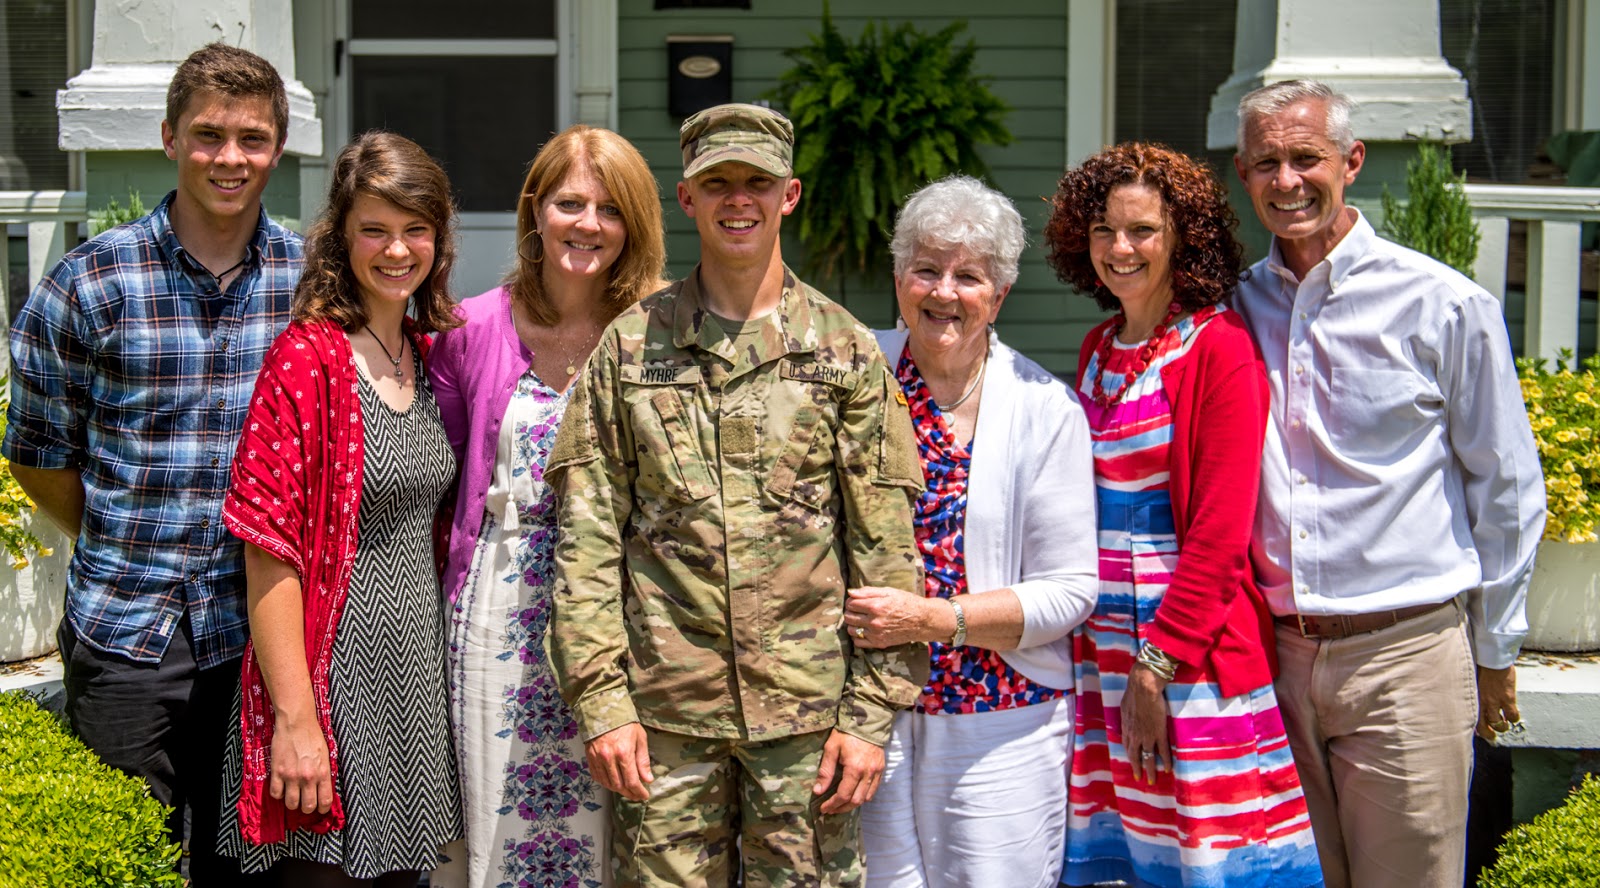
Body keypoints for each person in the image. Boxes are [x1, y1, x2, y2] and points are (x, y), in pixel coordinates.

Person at [546, 103, 926, 886]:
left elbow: (884, 553)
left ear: (791, 195)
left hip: (807, 726)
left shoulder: (846, 351)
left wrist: (869, 718)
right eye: (717, 182)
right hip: (664, 725)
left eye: (758, 181)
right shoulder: (631, 346)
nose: (738, 199)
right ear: (687, 198)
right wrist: (603, 704)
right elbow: (586, 545)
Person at [1229, 80, 1546, 888]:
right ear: (1243, 173)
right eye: (1268, 162)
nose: (1288, 180)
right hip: (1272, 663)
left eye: (1307, 158)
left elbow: (1505, 485)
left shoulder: (1444, 305)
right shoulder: (1231, 310)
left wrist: (1497, 647)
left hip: (1404, 656)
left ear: (1353, 162)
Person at [3, 42, 297, 884]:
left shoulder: (310, 280)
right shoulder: (90, 282)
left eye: (252, 138)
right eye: (208, 135)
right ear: (169, 137)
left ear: (278, 148)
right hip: (128, 627)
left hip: (259, 633)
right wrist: (116, 536)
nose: (229, 158)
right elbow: (37, 453)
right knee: (134, 857)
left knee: (251, 860)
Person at [1045, 142, 1323, 888]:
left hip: (1186, 658)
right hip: (1103, 653)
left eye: (1142, 230)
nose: (1120, 248)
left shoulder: (1218, 347)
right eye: (1103, 230)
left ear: (1182, 238)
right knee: (1135, 860)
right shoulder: (1100, 348)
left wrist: (1155, 669)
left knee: (1211, 862)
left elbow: (1221, 536)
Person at [215, 131, 465, 886]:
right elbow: (269, 552)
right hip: (330, 686)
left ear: (439, 239)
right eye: (375, 230)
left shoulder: (428, 357)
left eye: (415, 229)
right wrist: (296, 720)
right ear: (342, 237)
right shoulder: (306, 359)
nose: (398, 250)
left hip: (414, 688)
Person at [426, 125, 666, 888]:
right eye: (570, 202)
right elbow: (441, 483)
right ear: (536, 210)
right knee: (498, 809)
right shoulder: (470, 329)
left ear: (635, 226)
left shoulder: (662, 333)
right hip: (501, 603)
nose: (588, 223)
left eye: (610, 208)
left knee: (614, 824)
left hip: (622, 617)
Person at [847, 176, 1097, 887]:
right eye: (926, 269)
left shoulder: (1046, 408)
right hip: (868, 713)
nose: (944, 292)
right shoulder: (851, 374)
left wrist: (932, 619)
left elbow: (1070, 590)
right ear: (899, 280)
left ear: (1000, 295)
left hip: (1000, 715)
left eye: (969, 276)